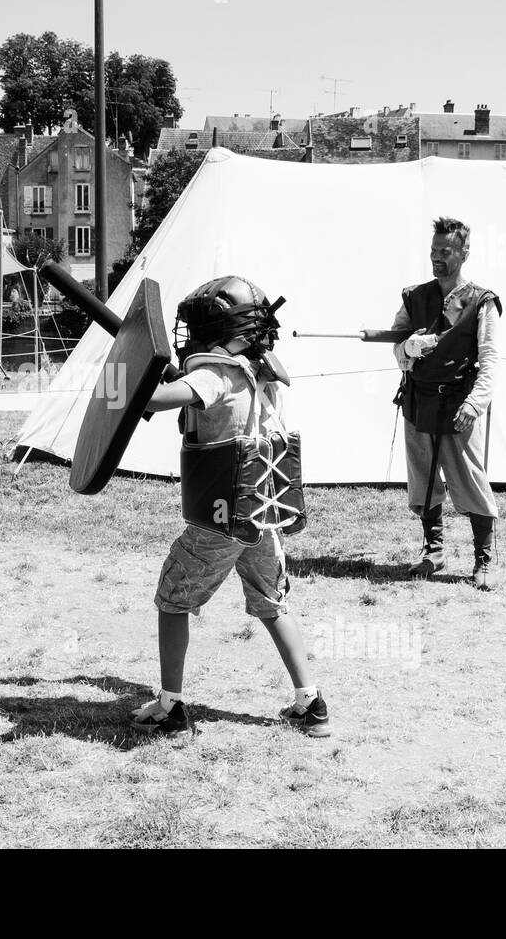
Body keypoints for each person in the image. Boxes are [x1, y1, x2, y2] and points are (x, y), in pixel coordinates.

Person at [129, 276, 330, 738]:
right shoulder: (258, 372)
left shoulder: (214, 373)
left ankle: (171, 708)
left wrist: (132, 372)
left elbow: (155, 400)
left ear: (219, 328)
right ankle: (310, 702)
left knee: (172, 599)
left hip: (219, 520)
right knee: (271, 603)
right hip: (262, 516)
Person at [391, 216, 502, 591]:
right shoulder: (415, 297)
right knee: (423, 480)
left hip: (459, 405)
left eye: (446, 251)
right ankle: (433, 551)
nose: (437, 257)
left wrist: (475, 404)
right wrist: (407, 348)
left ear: (464, 253)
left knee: (469, 480)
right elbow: (398, 348)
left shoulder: (482, 301)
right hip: (418, 401)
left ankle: (484, 559)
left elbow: (489, 360)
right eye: (434, 250)